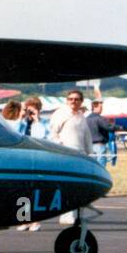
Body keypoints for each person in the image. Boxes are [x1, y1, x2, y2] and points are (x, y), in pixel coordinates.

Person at [49, 90, 94, 225]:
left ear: (81, 101)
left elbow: (86, 136)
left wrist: (89, 154)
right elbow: (53, 134)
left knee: (78, 187)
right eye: (70, 99)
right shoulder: (61, 114)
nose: (73, 102)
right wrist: (61, 148)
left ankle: (76, 215)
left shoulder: (81, 116)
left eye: (76, 99)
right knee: (66, 186)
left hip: (80, 155)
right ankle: (66, 215)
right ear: (67, 100)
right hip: (65, 155)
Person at [85, 100, 115, 166]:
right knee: (101, 167)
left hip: (89, 146)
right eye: (101, 107)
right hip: (99, 146)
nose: (102, 109)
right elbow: (109, 128)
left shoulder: (86, 119)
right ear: (95, 107)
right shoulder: (99, 118)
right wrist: (117, 126)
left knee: (92, 166)